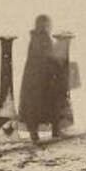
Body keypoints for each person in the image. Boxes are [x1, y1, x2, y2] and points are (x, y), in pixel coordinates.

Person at [18, 14, 57, 144]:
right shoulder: (44, 39)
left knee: (33, 107)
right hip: (42, 78)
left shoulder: (35, 38)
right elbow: (48, 58)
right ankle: (53, 131)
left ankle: (34, 133)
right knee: (48, 104)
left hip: (33, 79)